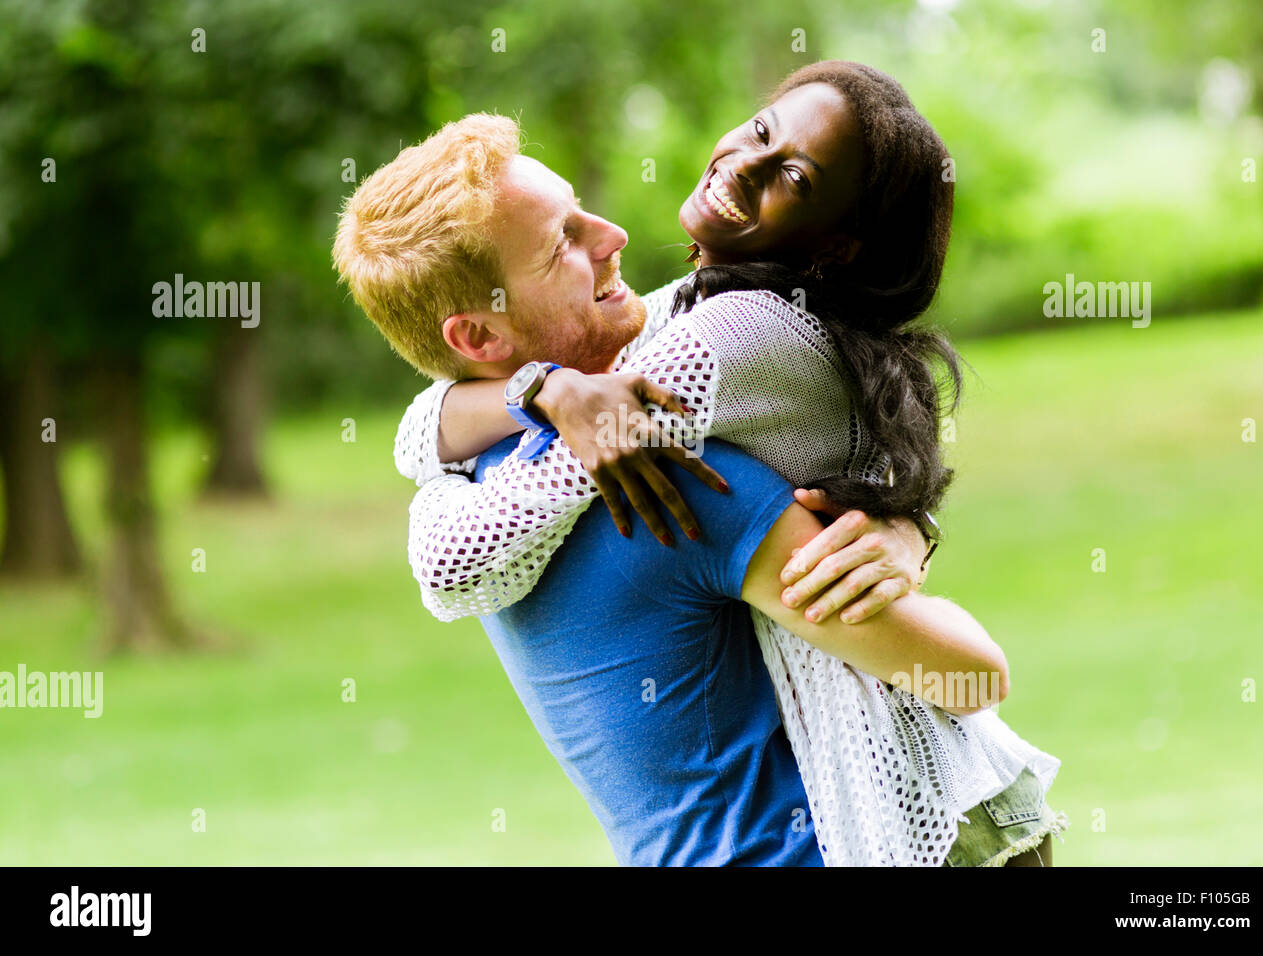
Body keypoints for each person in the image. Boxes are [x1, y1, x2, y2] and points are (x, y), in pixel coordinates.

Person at [334, 71, 1061, 864]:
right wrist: (544, 388)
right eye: (563, 243)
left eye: (793, 172)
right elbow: (976, 672)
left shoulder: (623, 435)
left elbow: (440, 532)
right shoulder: (653, 456)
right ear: (478, 339)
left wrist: (905, 530)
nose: (611, 235)